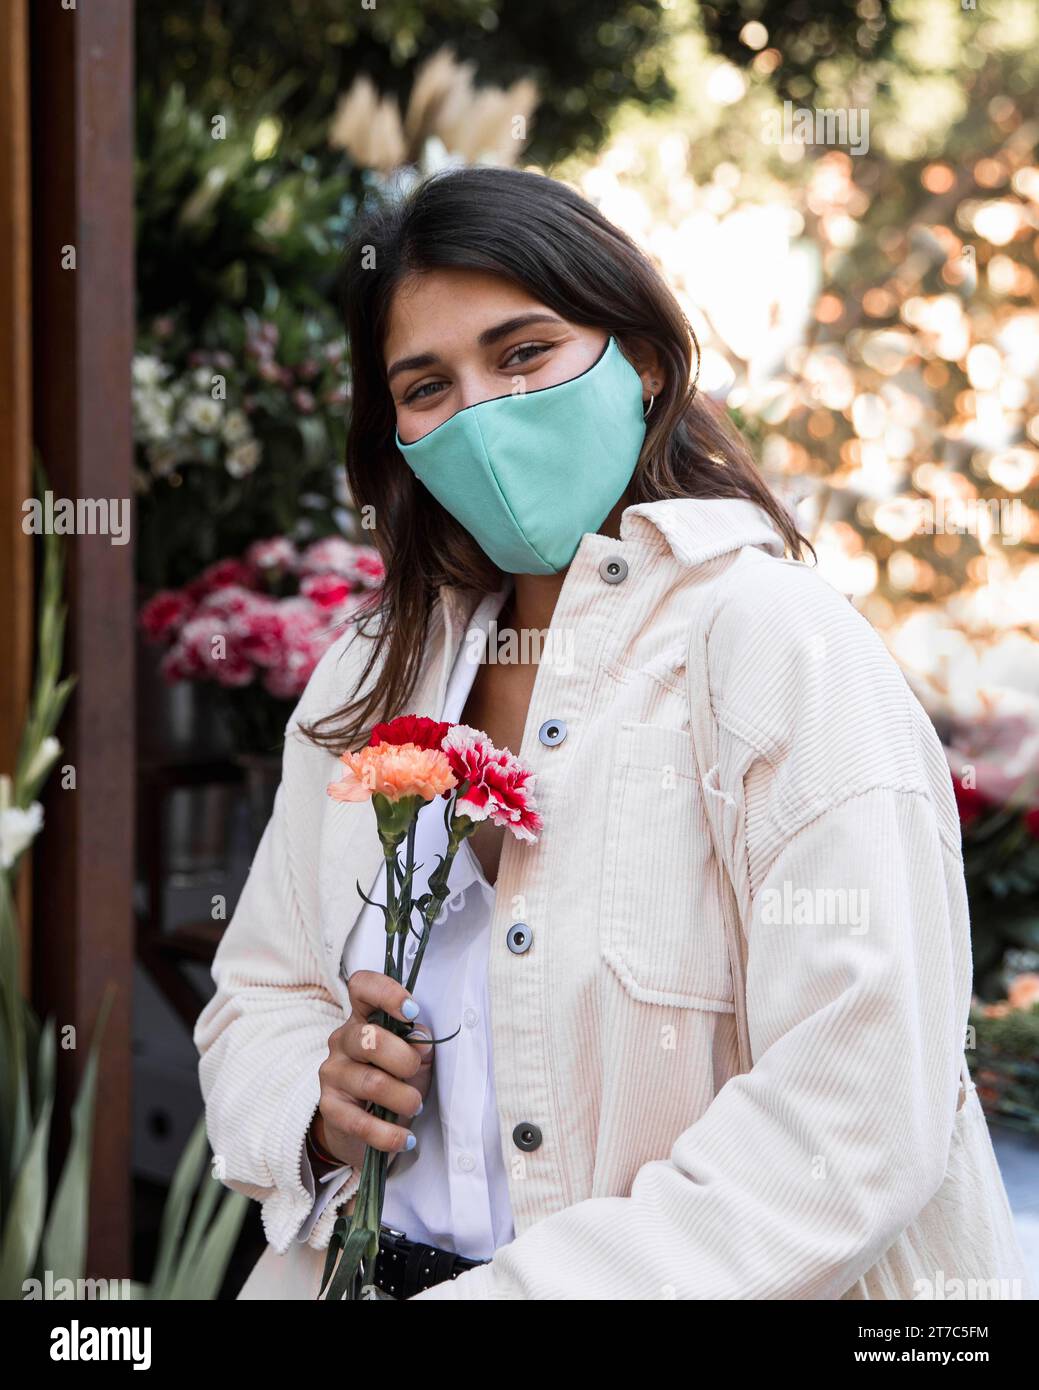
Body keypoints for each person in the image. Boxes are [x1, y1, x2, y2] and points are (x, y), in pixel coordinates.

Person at [193, 165, 1031, 1301]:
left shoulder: (774, 648)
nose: (481, 415)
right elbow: (262, 992)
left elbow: (854, 1112)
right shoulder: (368, 675)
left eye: (524, 352)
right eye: (427, 383)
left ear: (640, 360)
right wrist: (313, 1106)